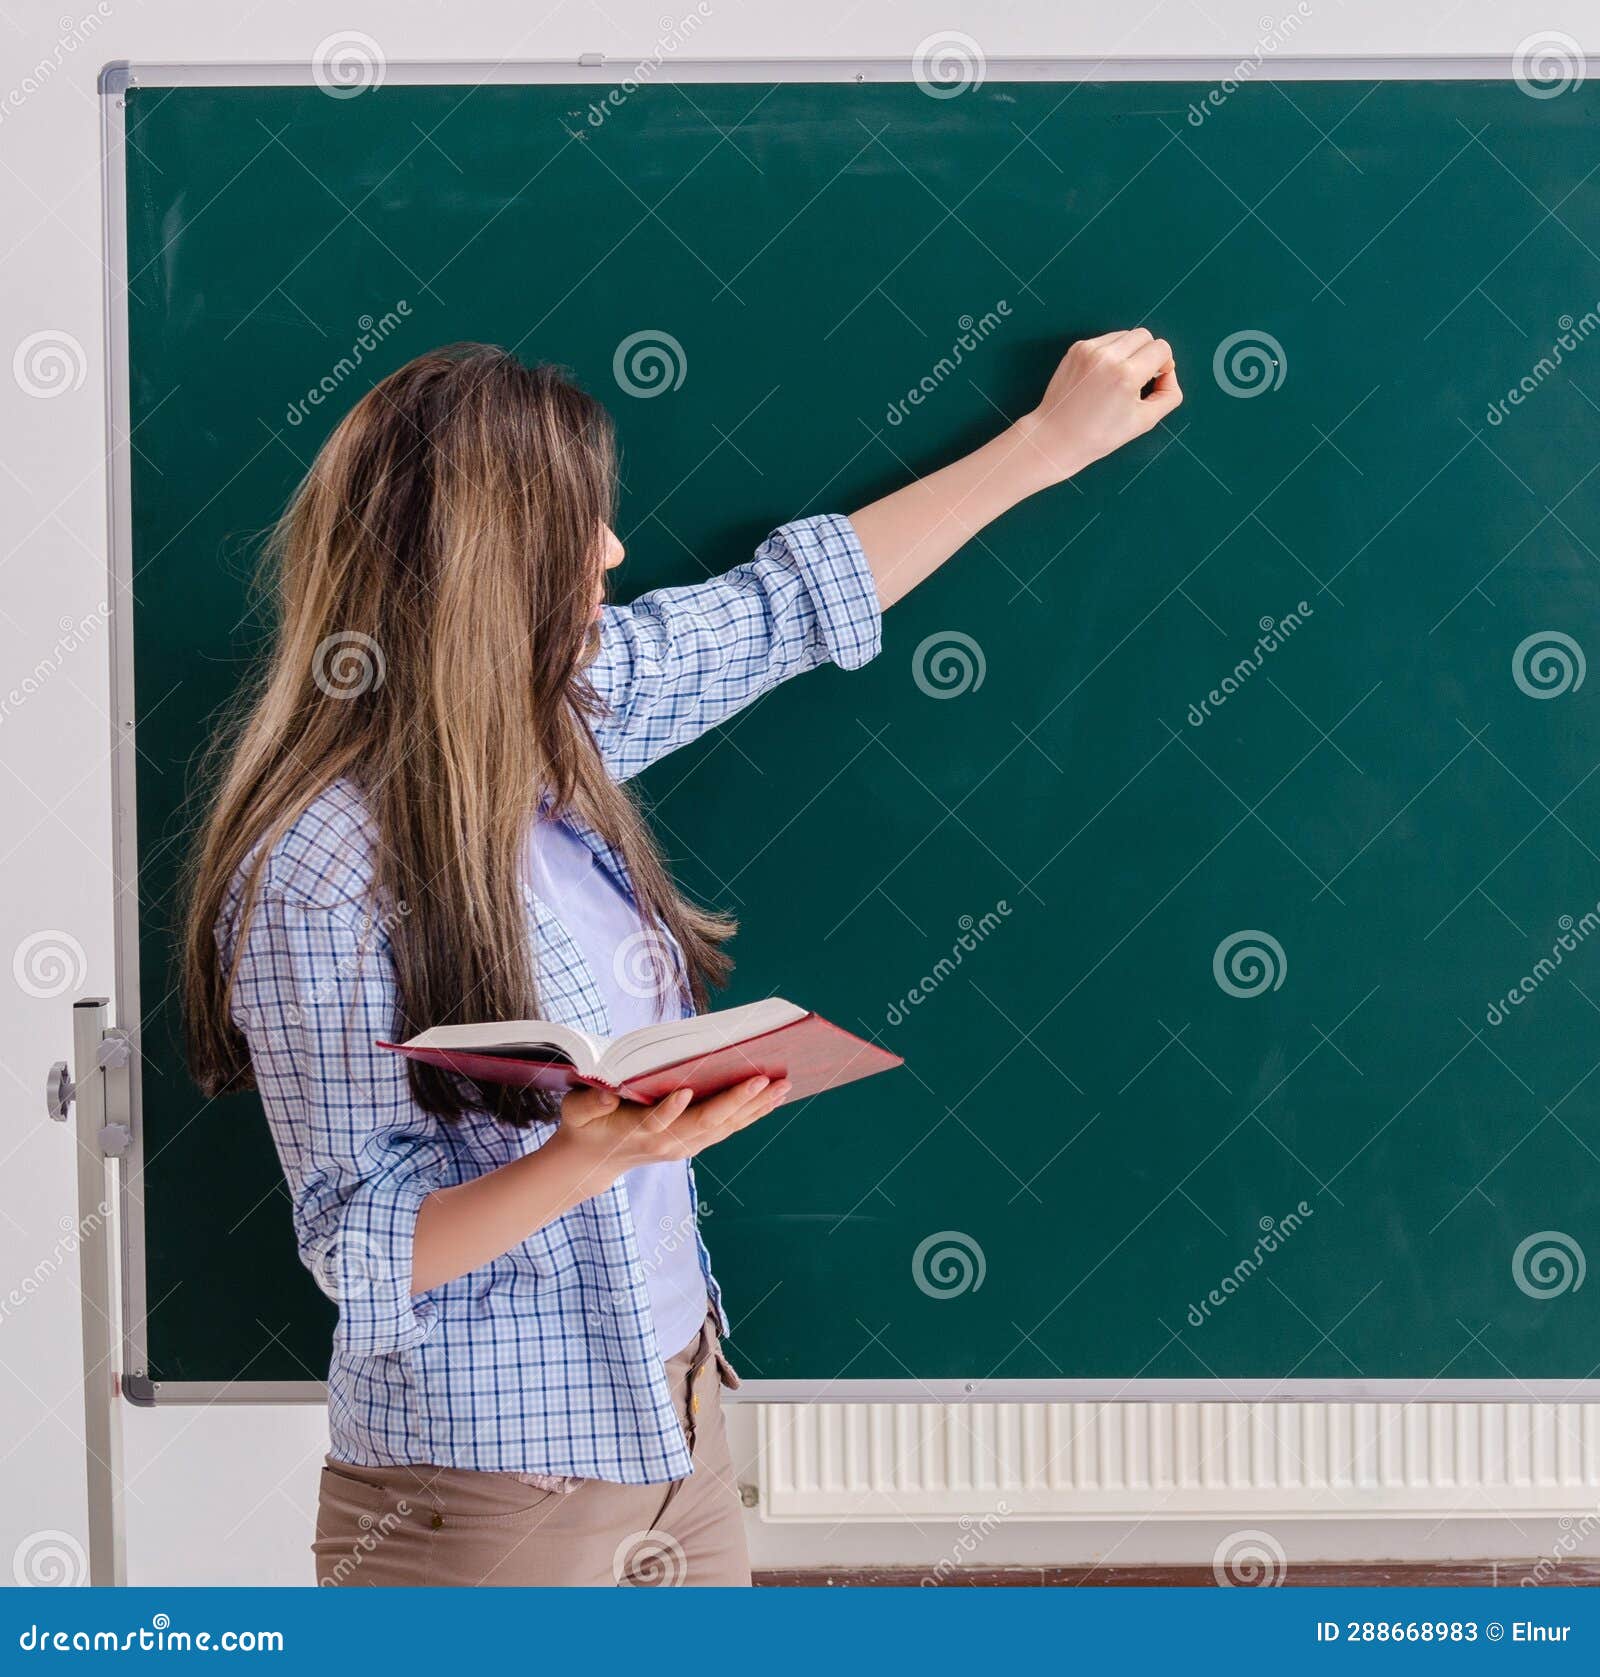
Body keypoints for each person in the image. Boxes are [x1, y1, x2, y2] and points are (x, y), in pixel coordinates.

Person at [181, 330, 1181, 1586]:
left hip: (673, 1417)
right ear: (491, 564)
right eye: (580, 529)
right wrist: (586, 1154)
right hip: (489, 1492)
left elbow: (786, 609)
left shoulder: (560, 719)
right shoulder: (321, 870)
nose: (611, 553)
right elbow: (358, 1246)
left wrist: (1047, 444)